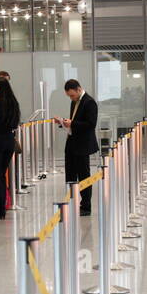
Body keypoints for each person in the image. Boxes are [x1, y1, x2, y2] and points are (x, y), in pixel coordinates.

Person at [60, 78, 98, 216]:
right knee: (70, 174)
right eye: (69, 96)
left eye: (72, 95)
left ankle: (86, 206)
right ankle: (71, 201)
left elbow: (90, 124)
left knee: (84, 175)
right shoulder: (74, 102)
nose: (71, 97)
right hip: (72, 143)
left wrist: (72, 124)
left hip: (83, 145)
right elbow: (75, 122)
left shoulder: (90, 102)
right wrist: (65, 123)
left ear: (79, 89)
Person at [0, 77, 20, 220]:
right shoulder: (13, 103)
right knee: (1, 174)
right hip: (9, 141)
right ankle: (2, 206)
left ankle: (0, 209)